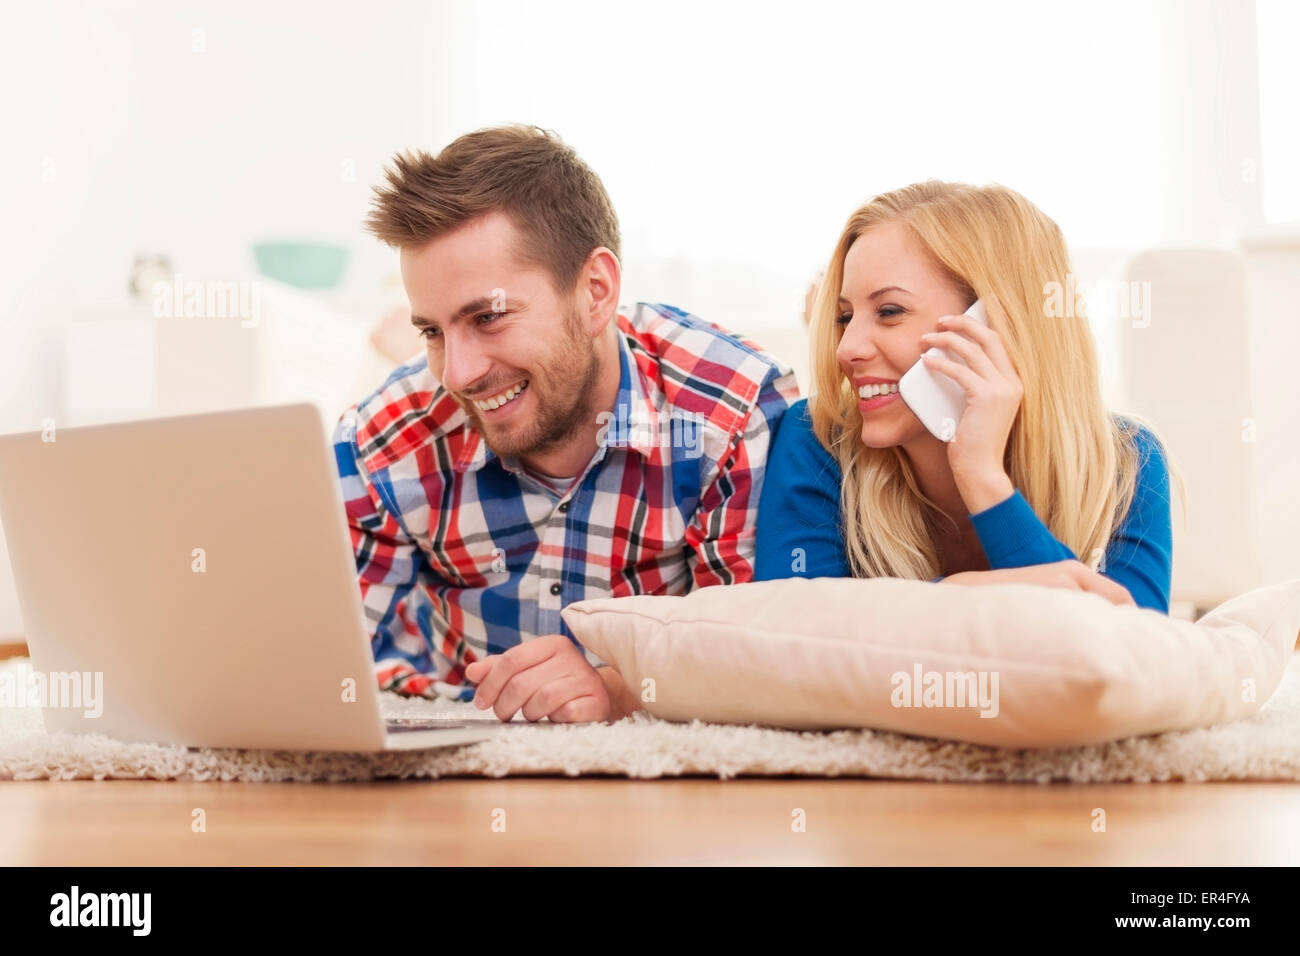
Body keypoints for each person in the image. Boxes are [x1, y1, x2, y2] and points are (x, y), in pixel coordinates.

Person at [334, 125, 799, 723]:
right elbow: (316, 660)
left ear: (596, 291)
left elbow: (755, 657)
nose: (457, 374)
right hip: (445, 722)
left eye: (488, 317)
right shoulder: (384, 439)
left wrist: (620, 689)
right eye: (432, 331)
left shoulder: (730, 414)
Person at [755, 181, 1176, 613]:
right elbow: (793, 627)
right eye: (845, 317)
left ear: (999, 325)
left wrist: (983, 478)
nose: (846, 349)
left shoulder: (1125, 464)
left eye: (890, 312)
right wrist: (959, 593)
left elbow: (1124, 641)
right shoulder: (818, 437)